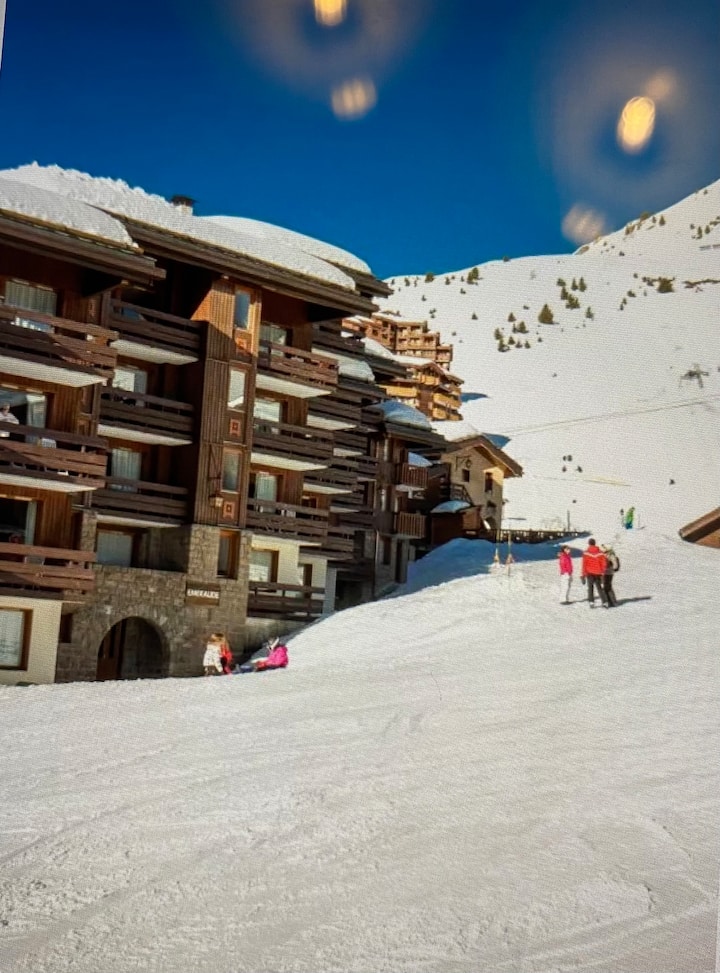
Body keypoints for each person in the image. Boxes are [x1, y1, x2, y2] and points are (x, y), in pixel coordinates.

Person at [580, 538, 608, 607]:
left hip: (589, 573)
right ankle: (604, 602)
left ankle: (591, 602)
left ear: (589, 544)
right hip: (598, 573)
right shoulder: (600, 553)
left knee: (590, 588)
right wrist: (603, 572)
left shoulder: (586, 553)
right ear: (595, 543)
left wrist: (583, 574)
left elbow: (584, 564)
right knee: (599, 588)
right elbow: (604, 563)